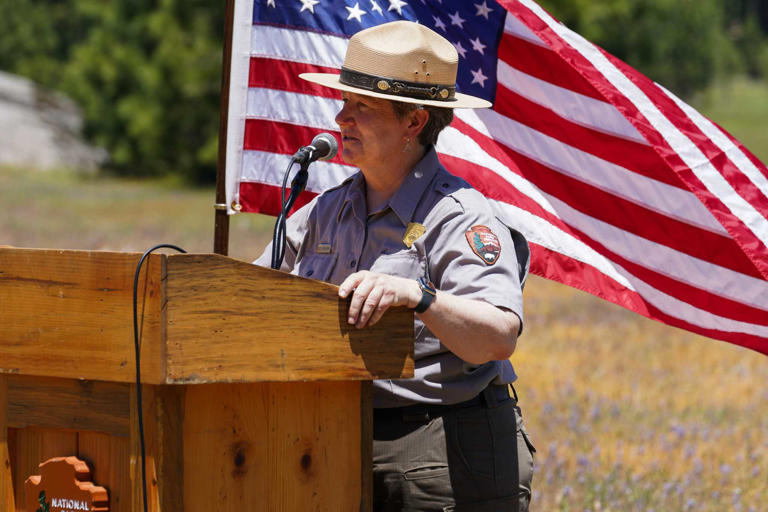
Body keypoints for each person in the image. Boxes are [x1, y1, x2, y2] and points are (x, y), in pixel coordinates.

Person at [255, 21, 535, 511]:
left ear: (414, 122)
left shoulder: (460, 216)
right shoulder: (327, 209)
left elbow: (497, 336)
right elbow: (248, 294)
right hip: (333, 439)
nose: (343, 118)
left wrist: (418, 297)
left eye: (363, 107)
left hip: (441, 445)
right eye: (345, 103)